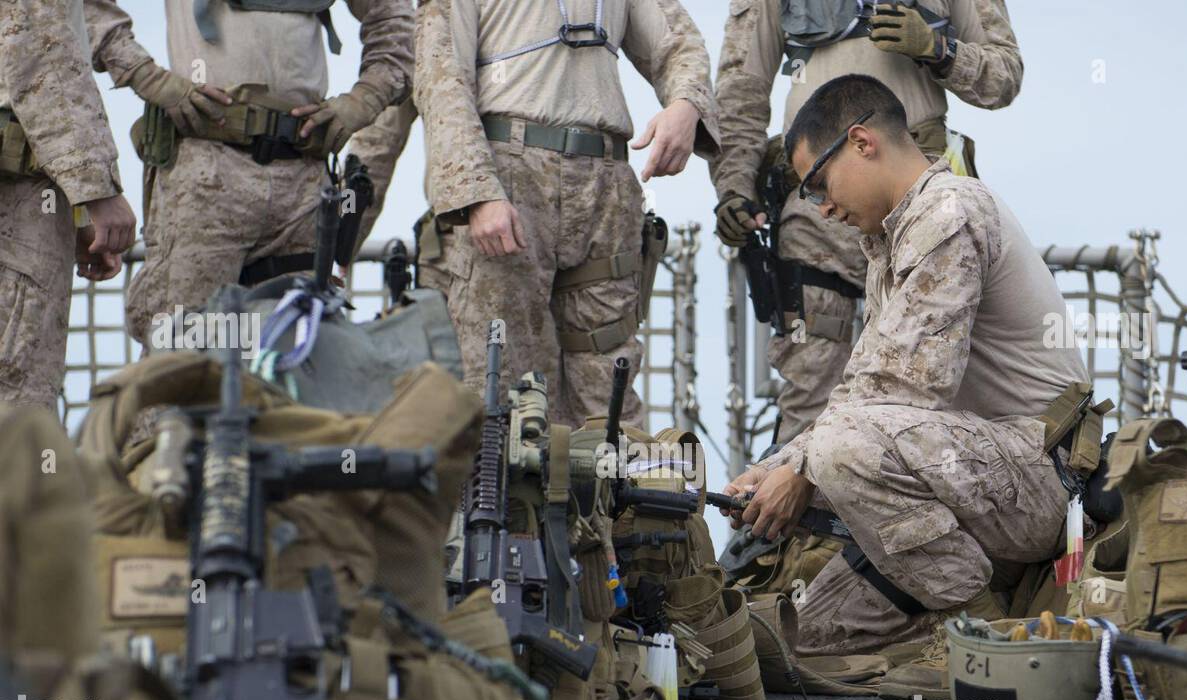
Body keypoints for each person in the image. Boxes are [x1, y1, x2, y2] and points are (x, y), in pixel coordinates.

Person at [720, 74, 1090, 695]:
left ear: (861, 143)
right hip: (968, 481)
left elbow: (905, 390)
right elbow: (865, 392)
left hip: (1035, 478)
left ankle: (975, 629)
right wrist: (773, 469)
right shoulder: (888, 239)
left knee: (840, 454)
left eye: (817, 184)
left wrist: (802, 469)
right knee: (795, 641)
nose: (820, 207)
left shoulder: (950, 212)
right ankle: (948, 605)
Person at [711, 0, 1021, 442]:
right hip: (819, 200)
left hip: (918, 189)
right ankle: (803, 495)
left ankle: (909, 484)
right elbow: (740, 90)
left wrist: (939, 49)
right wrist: (734, 187)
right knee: (811, 369)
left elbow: (1003, 76)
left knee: (930, 360)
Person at [415, 0, 720, 427]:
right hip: (508, 179)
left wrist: (686, 104)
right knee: (502, 390)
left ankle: (615, 492)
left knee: (611, 389)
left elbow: (678, 42)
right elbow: (440, 73)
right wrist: (476, 192)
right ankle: (508, 494)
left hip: (605, 188)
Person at [84, 0, 413, 347]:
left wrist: (366, 98)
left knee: (296, 354)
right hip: (207, 173)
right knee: (185, 356)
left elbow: (394, 18)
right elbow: (86, 10)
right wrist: (145, 76)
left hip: (303, 179)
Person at [0, 0, 136, 410]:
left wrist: (74, 216)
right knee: (17, 403)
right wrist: (97, 188)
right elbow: (40, 46)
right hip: (16, 197)